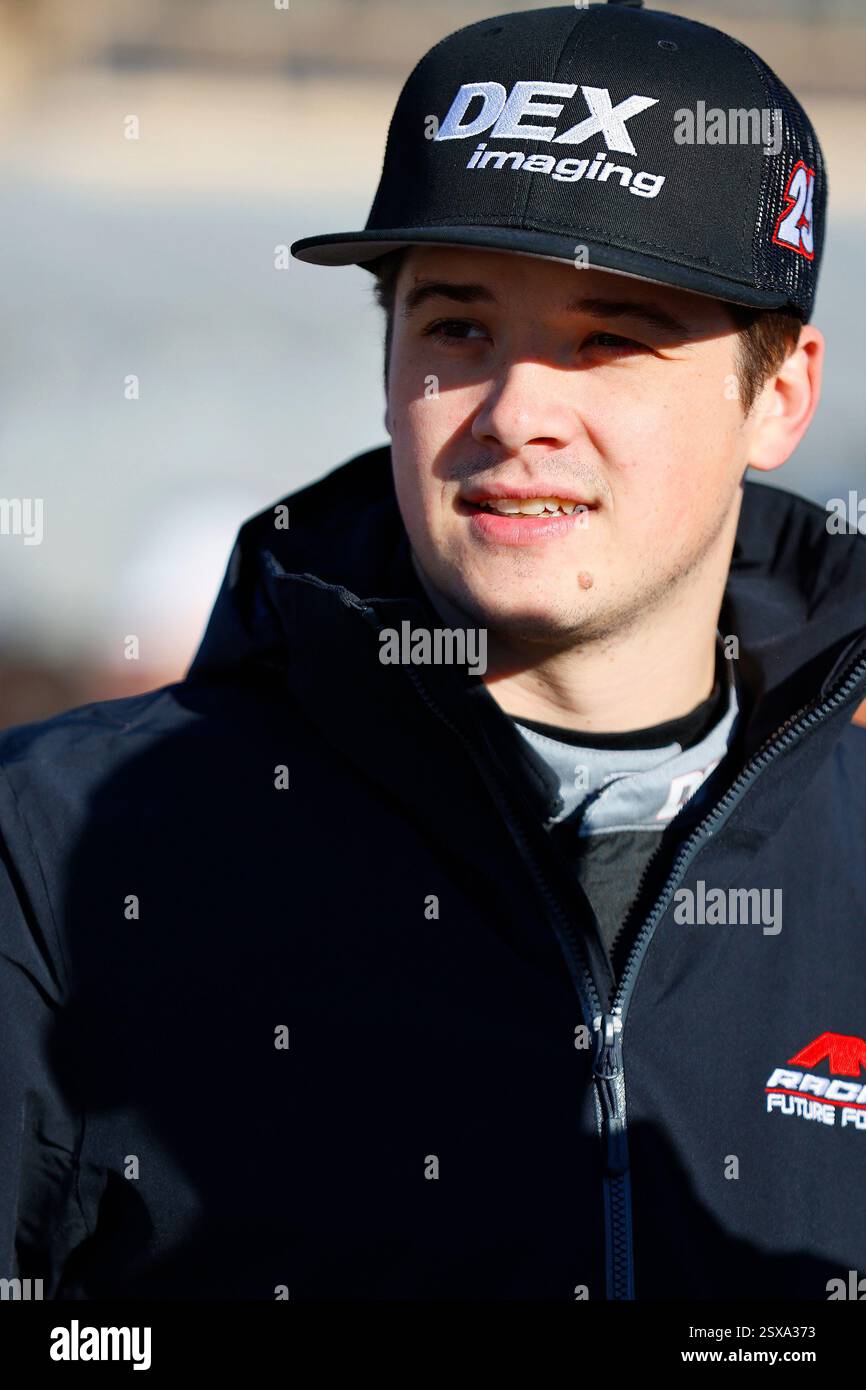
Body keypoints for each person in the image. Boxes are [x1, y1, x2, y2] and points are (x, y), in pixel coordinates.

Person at [1, 0, 864, 1303]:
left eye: (611, 336)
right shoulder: (54, 843)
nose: (518, 412)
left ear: (780, 394)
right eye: (457, 326)